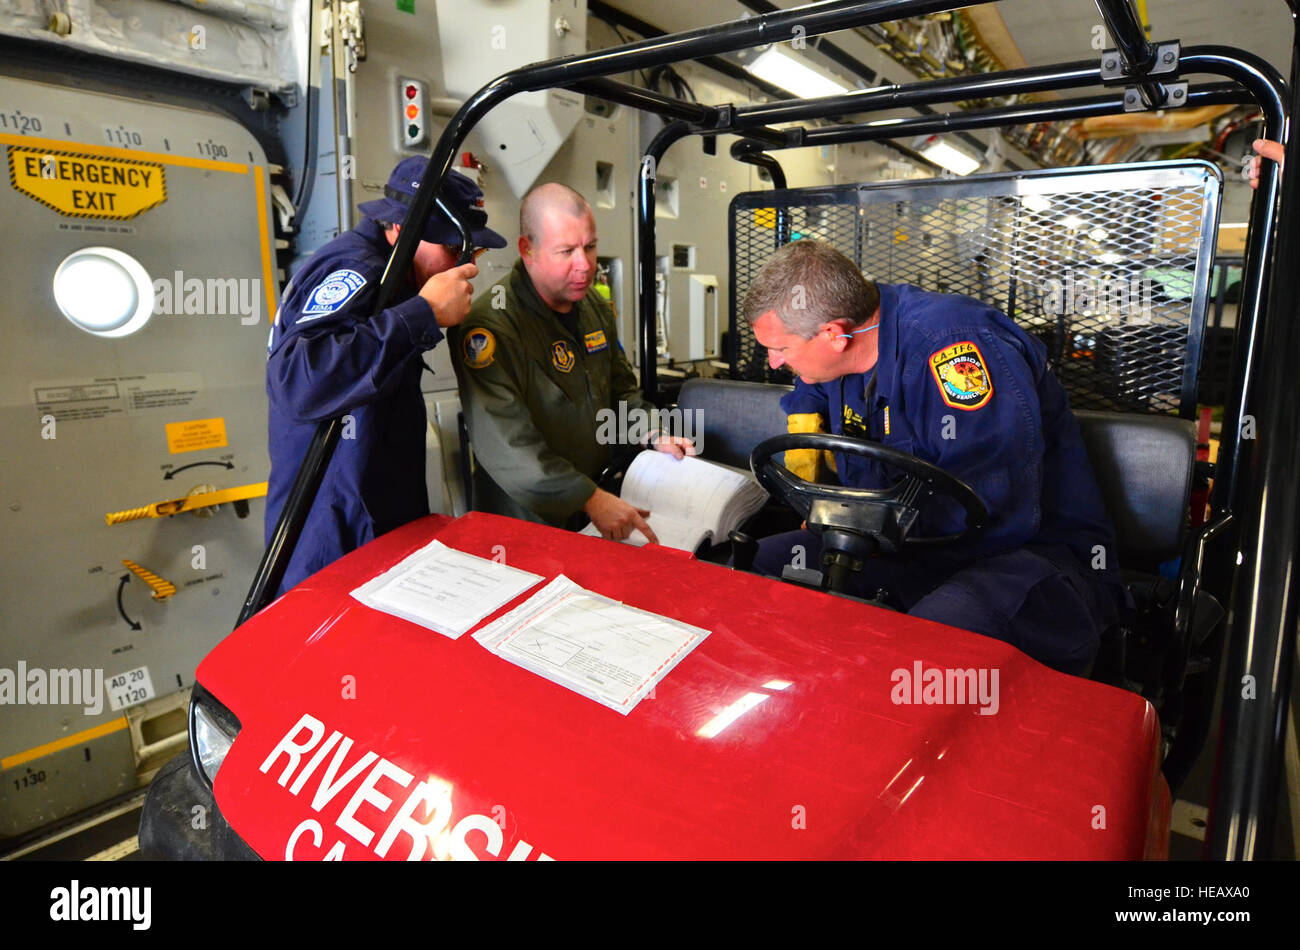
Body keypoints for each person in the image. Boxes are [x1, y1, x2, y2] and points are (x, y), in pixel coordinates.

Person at [744, 240, 1128, 675]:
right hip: (896, 543)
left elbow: (993, 501)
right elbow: (808, 414)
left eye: (781, 349)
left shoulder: (955, 347)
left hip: (1027, 555)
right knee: (751, 571)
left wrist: (862, 522)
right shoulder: (831, 359)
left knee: (932, 642)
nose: (774, 363)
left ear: (834, 334)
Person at [264, 157, 505, 596]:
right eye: (453, 249)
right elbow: (297, 382)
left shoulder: (394, 276)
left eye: (472, 252)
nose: (462, 264)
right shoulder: (360, 270)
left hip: (370, 519)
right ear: (398, 229)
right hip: (336, 534)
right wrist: (423, 314)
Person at [451, 183, 694, 543]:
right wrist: (589, 498)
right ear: (527, 250)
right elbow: (510, 445)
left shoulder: (594, 308)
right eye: (566, 251)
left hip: (595, 510)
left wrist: (654, 431)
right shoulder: (491, 327)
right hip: (524, 523)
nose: (585, 265)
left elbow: (621, 393)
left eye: (590, 247)